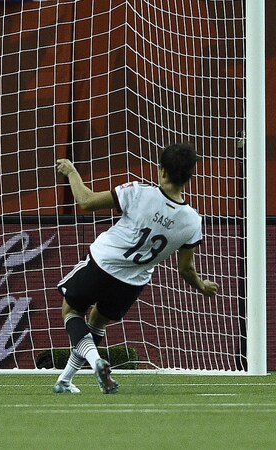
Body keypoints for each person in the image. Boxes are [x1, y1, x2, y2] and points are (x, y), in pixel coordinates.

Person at [53, 143, 218, 394]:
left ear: (162, 171)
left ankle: (95, 360)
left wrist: (71, 171)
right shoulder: (192, 221)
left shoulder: (139, 192)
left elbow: (85, 201)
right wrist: (202, 285)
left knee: (71, 309)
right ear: (189, 177)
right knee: (97, 320)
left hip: (103, 263)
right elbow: (186, 269)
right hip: (131, 283)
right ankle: (65, 381)